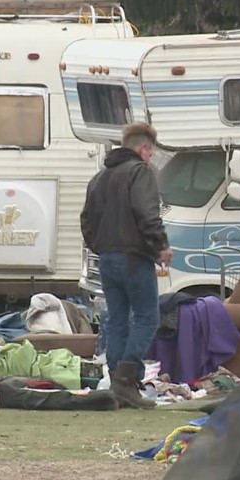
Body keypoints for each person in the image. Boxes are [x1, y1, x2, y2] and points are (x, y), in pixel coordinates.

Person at [80, 123, 172, 409]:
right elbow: (147, 212)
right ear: (143, 149)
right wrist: (160, 245)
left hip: (107, 259)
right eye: (151, 153)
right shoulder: (139, 172)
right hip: (134, 257)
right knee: (147, 318)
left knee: (117, 320)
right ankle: (126, 379)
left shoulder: (100, 177)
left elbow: (86, 219)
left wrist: (100, 247)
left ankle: (117, 382)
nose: (151, 158)